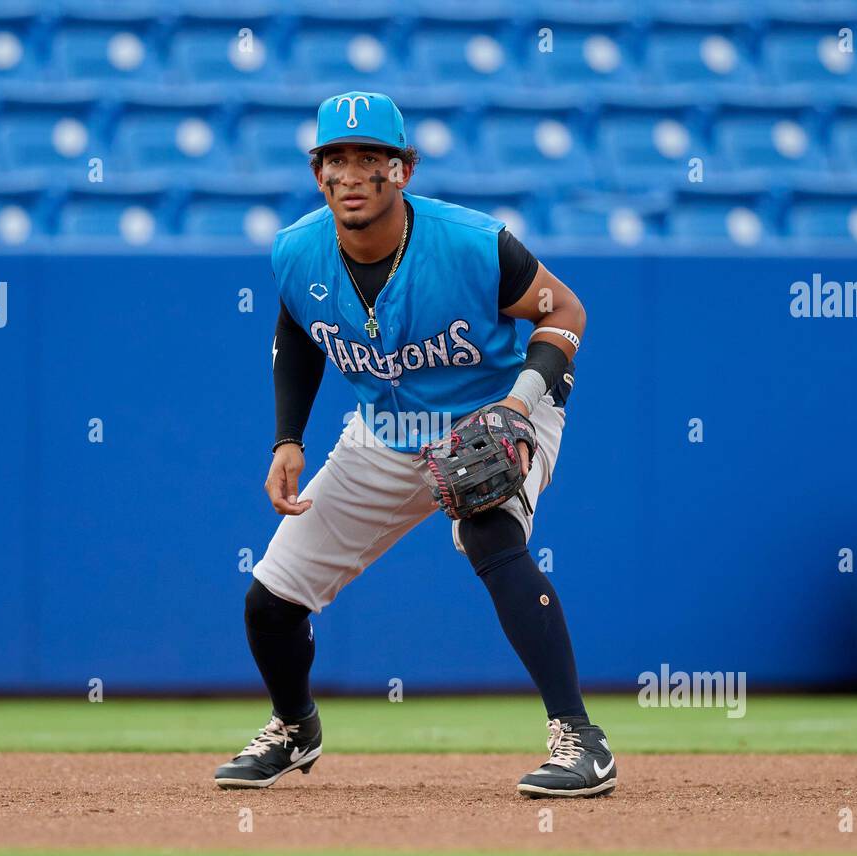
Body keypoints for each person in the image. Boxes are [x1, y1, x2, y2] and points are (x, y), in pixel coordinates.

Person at [214, 91, 615, 798]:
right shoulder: (297, 251)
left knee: (491, 532)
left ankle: (581, 739)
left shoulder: (473, 243)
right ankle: (293, 727)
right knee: (271, 602)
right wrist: (287, 438)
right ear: (317, 173)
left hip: (493, 416)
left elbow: (566, 312)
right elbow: (297, 336)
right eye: (335, 158)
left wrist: (520, 405)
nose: (351, 173)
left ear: (404, 170)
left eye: (371, 158)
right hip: (386, 431)